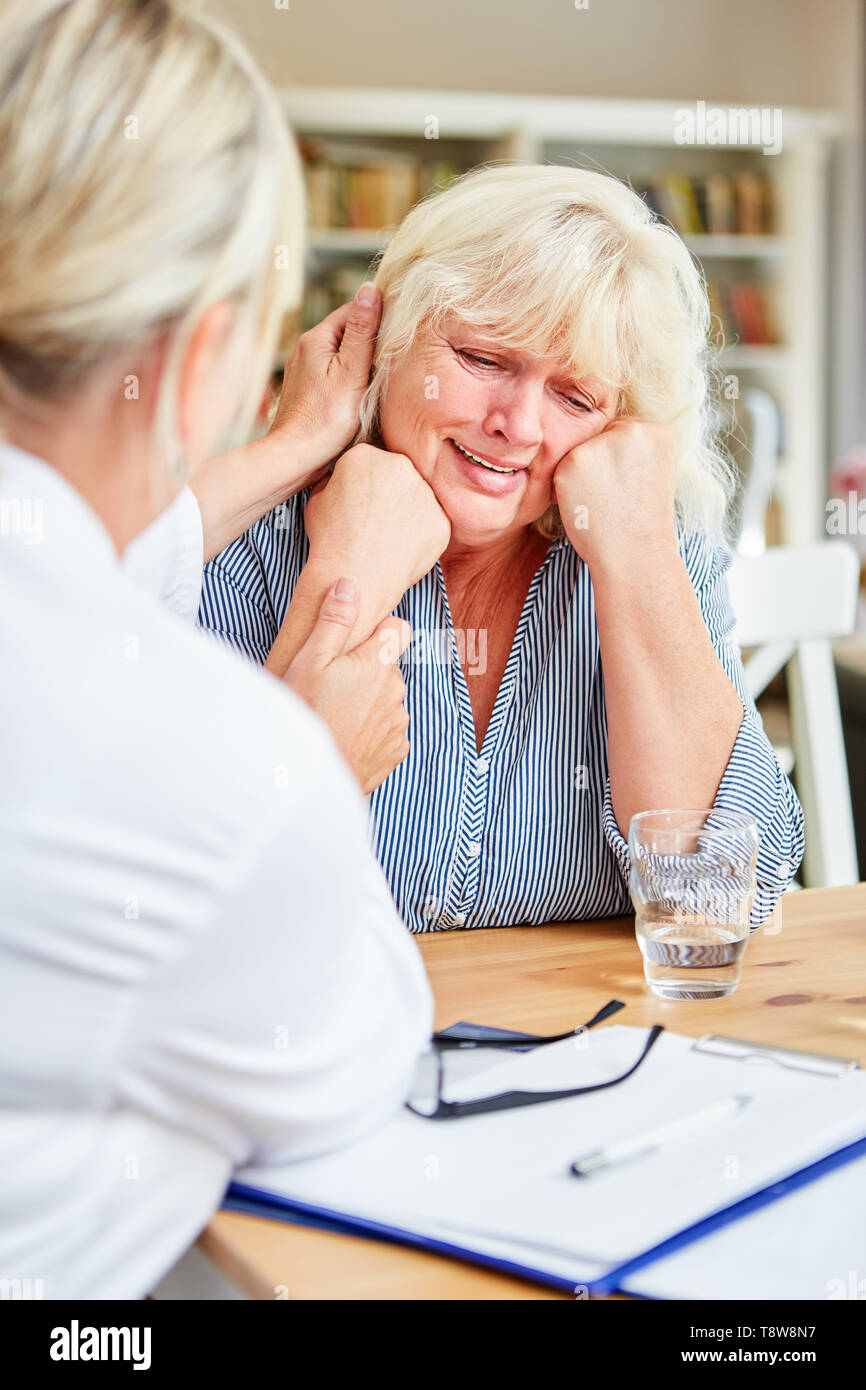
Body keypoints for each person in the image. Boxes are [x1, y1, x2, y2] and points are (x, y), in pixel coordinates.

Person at [0, 0, 434, 1299]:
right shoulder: (231, 773)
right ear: (199, 358)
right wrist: (309, 734)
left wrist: (296, 445)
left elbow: (84, 552)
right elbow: (348, 1063)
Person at [198, 164, 805, 932]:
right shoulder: (249, 543)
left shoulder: (648, 550)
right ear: (389, 341)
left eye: (575, 397)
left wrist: (641, 555)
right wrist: (345, 578)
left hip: (600, 1044)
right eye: (484, 359)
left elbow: (718, 905)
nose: (517, 426)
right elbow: (204, 894)